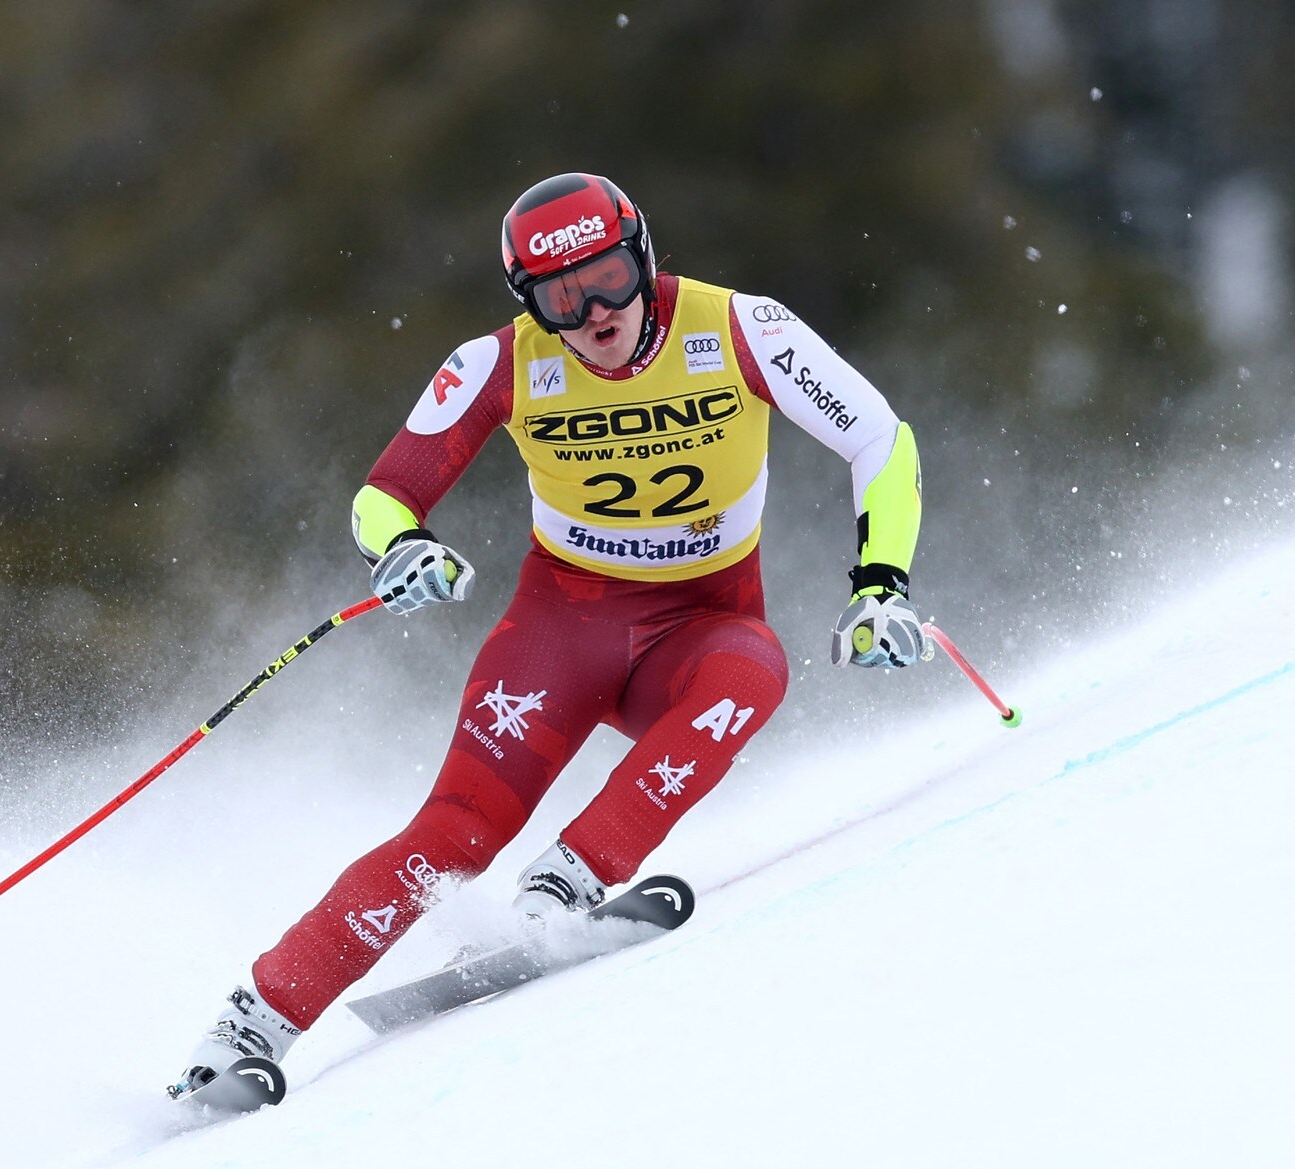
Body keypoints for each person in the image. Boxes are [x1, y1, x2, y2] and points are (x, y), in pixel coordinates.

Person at [169, 172, 924, 1097]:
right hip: (561, 632)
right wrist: (400, 547)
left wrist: (881, 585)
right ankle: (250, 1024)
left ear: (643, 255)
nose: (596, 311)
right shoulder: (500, 364)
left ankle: (566, 881)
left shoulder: (741, 328)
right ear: (529, 301)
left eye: (608, 276)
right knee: (454, 832)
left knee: (756, 669)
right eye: (562, 296)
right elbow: (382, 493)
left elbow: (881, 439)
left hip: (702, 624)